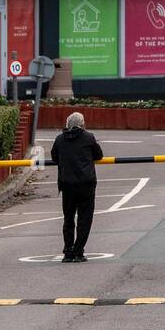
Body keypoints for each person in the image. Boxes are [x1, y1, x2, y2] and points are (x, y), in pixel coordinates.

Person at [50, 112, 103, 262]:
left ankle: (67, 252)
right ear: (82, 124)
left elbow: (54, 157)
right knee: (85, 219)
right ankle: (79, 251)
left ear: (67, 124)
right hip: (86, 184)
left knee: (68, 219)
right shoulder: (88, 137)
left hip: (67, 184)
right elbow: (98, 155)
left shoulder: (60, 139)